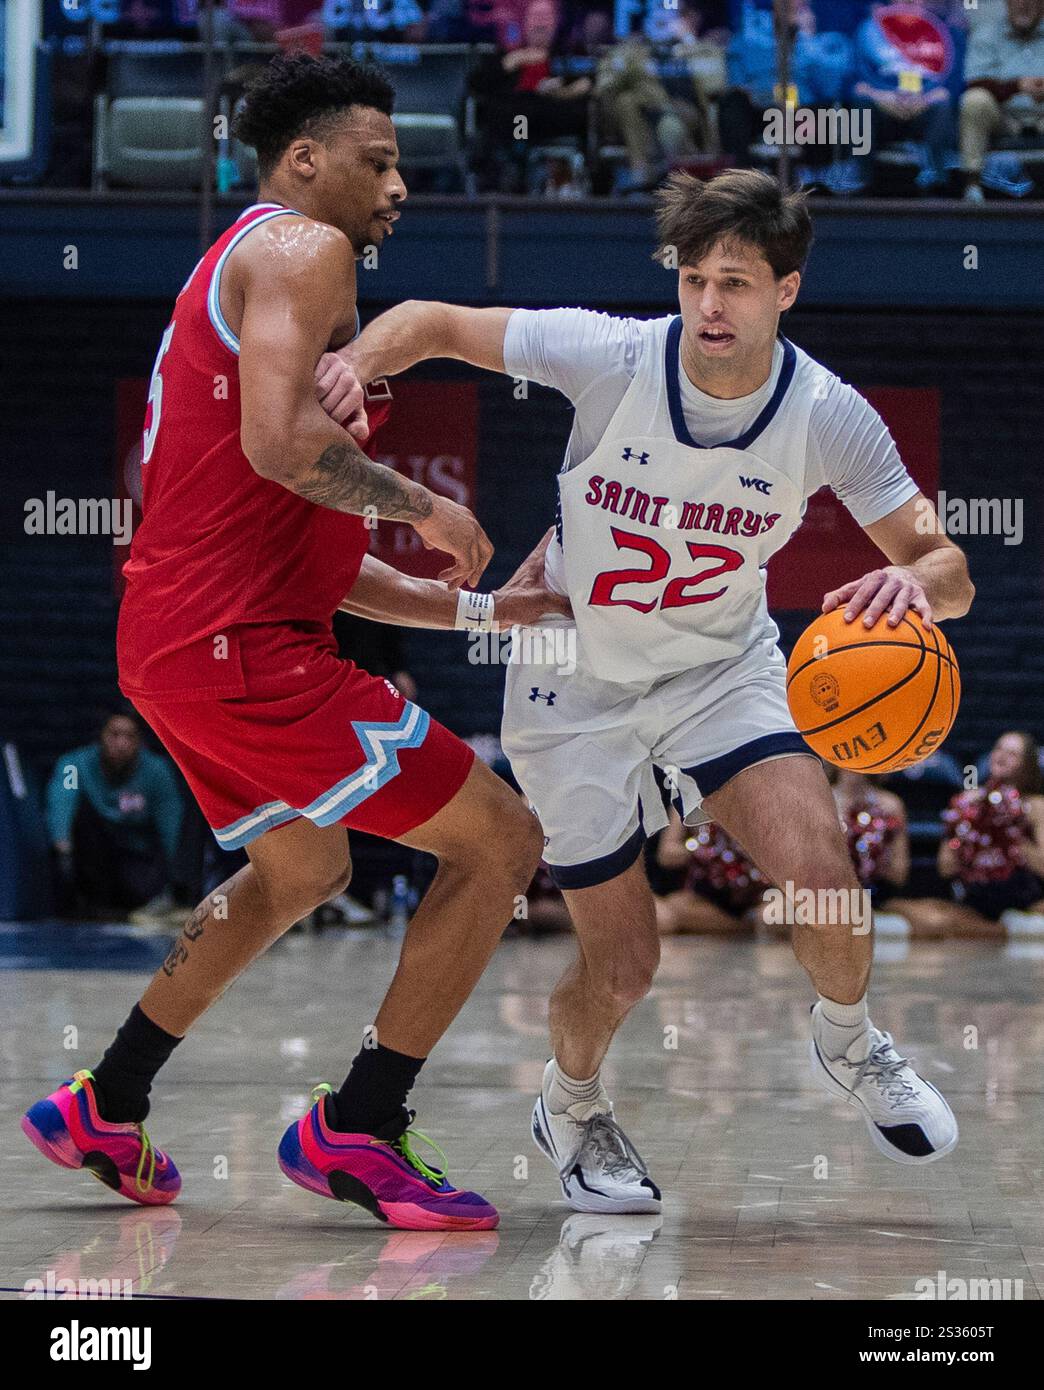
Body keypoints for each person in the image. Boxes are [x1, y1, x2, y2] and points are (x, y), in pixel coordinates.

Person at [316, 167, 975, 1213]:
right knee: (625, 967)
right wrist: (350, 364)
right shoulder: (613, 356)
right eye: (696, 278)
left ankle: (849, 1042)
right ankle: (571, 1102)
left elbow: (953, 571)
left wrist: (914, 576)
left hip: (720, 668)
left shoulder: (827, 414)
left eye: (739, 284)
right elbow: (436, 318)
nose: (711, 305)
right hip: (573, 683)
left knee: (824, 875)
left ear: (787, 291)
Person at [23, 54, 565, 1231]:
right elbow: (280, 446)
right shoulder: (299, 251)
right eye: (379, 159)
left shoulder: (261, 271)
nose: (400, 182)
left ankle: (105, 1100)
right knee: (503, 840)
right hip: (235, 645)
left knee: (302, 871)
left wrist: (479, 610)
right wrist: (428, 505)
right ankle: (361, 1124)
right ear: (304, 160)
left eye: (406, 162)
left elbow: (314, 555)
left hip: (183, 639)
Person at [892, 731, 1044, 937]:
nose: (1002, 756)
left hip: (1025, 897)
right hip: (976, 899)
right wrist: (965, 835)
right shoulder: (966, 801)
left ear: (1027, 766)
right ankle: (992, 931)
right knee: (926, 918)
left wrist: (1009, 833)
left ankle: (995, 931)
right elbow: (945, 868)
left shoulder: (1036, 806)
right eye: (999, 749)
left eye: (1012, 753)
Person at [46, 711, 184, 919]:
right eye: (114, 734)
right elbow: (62, 801)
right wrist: (62, 847)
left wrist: (179, 883)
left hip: (137, 859)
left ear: (140, 741)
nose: (121, 743)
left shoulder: (157, 771)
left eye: (130, 737)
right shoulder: (74, 766)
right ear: (101, 736)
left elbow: (172, 824)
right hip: (93, 859)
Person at [960, 0, 1044, 201]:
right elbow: (973, 82)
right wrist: (1017, 86)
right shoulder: (986, 34)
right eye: (1018, 1)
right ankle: (972, 185)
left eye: (1031, 1)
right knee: (974, 100)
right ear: (1007, 3)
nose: (1023, 6)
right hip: (1003, 117)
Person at [655, 807, 769, 935]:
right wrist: (703, 848)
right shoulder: (686, 796)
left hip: (757, 895)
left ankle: (749, 923)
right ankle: (746, 925)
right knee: (669, 913)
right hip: (707, 897)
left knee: (773, 915)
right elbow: (666, 855)